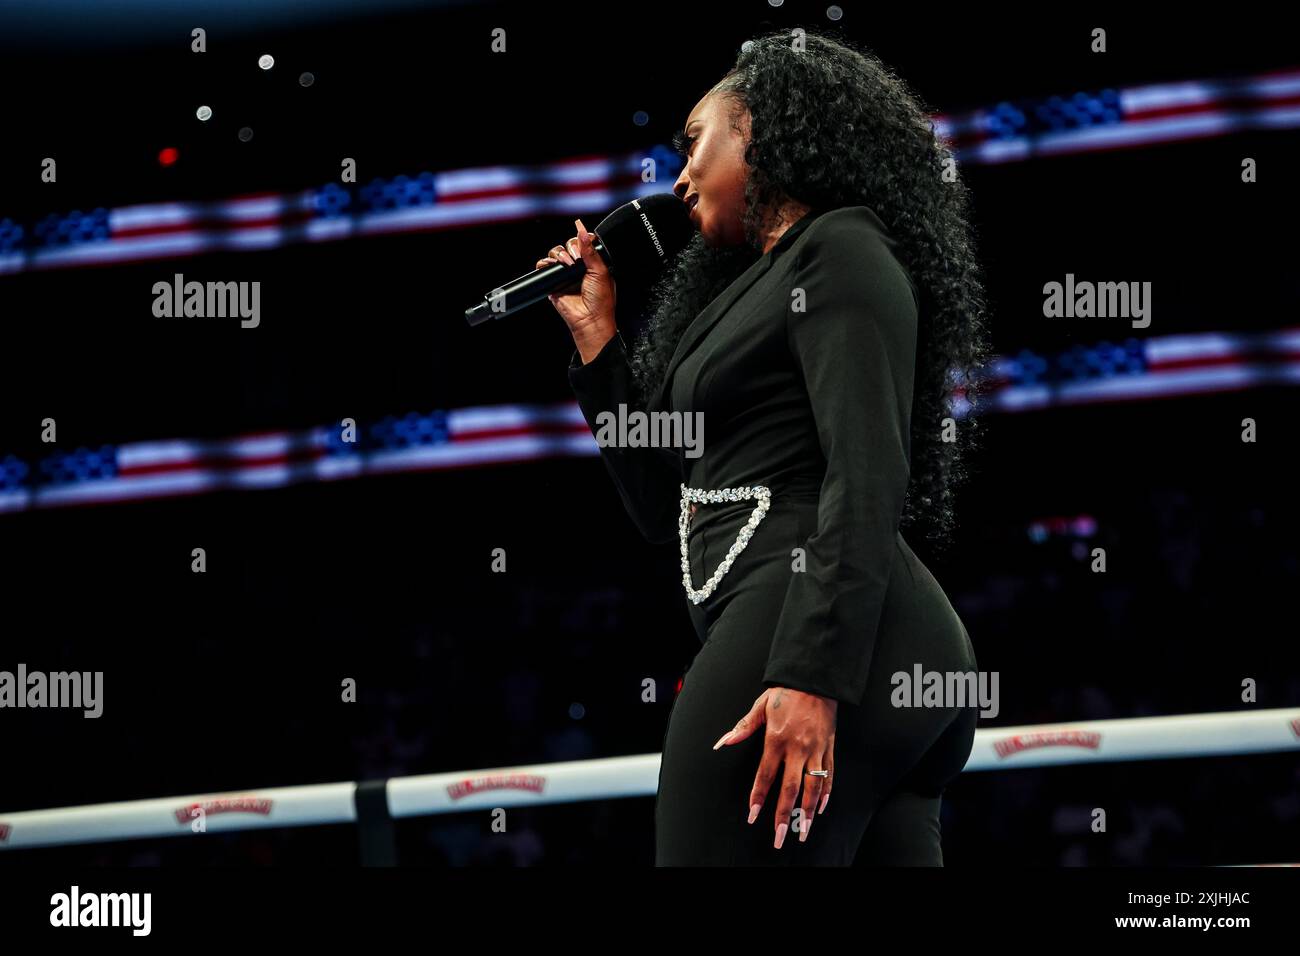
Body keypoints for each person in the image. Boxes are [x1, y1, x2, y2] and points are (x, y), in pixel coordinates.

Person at [539, 30, 991, 865]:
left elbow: (868, 470)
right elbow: (658, 504)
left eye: (696, 142)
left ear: (766, 131)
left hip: (826, 636)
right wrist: (600, 347)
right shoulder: (756, 286)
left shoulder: (842, 245)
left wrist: (815, 672)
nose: (678, 176)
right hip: (869, 651)